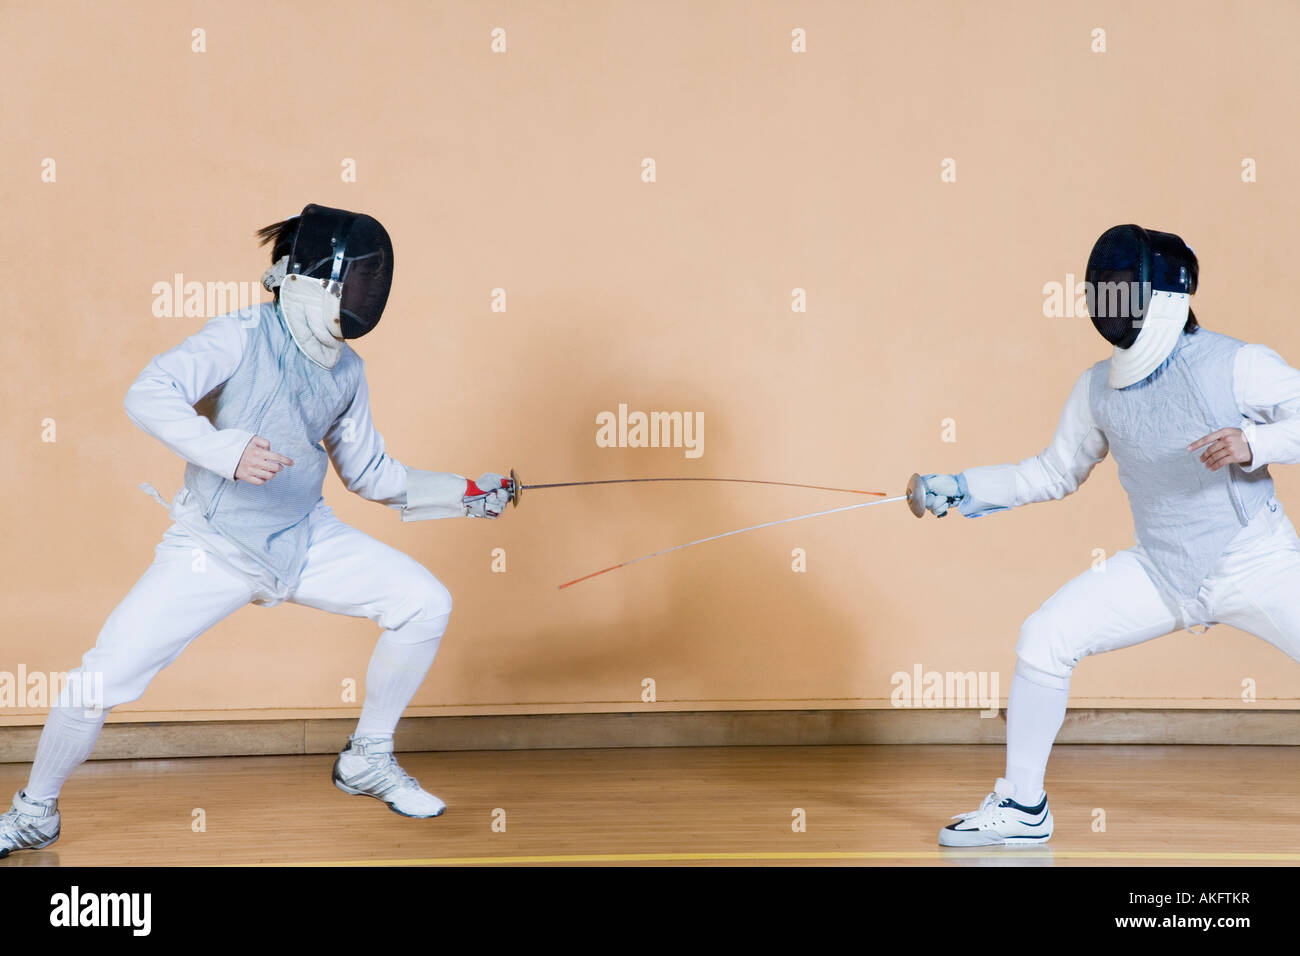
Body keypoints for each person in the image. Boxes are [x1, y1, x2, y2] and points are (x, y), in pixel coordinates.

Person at [0, 204, 513, 858]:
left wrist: (467, 495)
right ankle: (35, 812)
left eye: (370, 282)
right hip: (212, 549)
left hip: (304, 538)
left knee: (424, 602)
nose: (365, 295)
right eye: (356, 280)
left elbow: (371, 473)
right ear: (311, 277)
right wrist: (224, 450)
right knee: (99, 680)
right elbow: (148, 392)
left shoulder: (347, 371)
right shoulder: (239, 334)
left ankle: (366, 758)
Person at [919, 224, 1300, 846]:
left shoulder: (1235, 364)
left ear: (1167, 294)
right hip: (1162, 570)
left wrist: (1257, 441)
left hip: (1253, 559)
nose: (1113, 304)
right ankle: (1021, 807)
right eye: (1106, 291)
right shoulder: (1098, 387)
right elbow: (1051, 472)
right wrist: (963, 487)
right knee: (1046, 635)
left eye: (1127, 290)